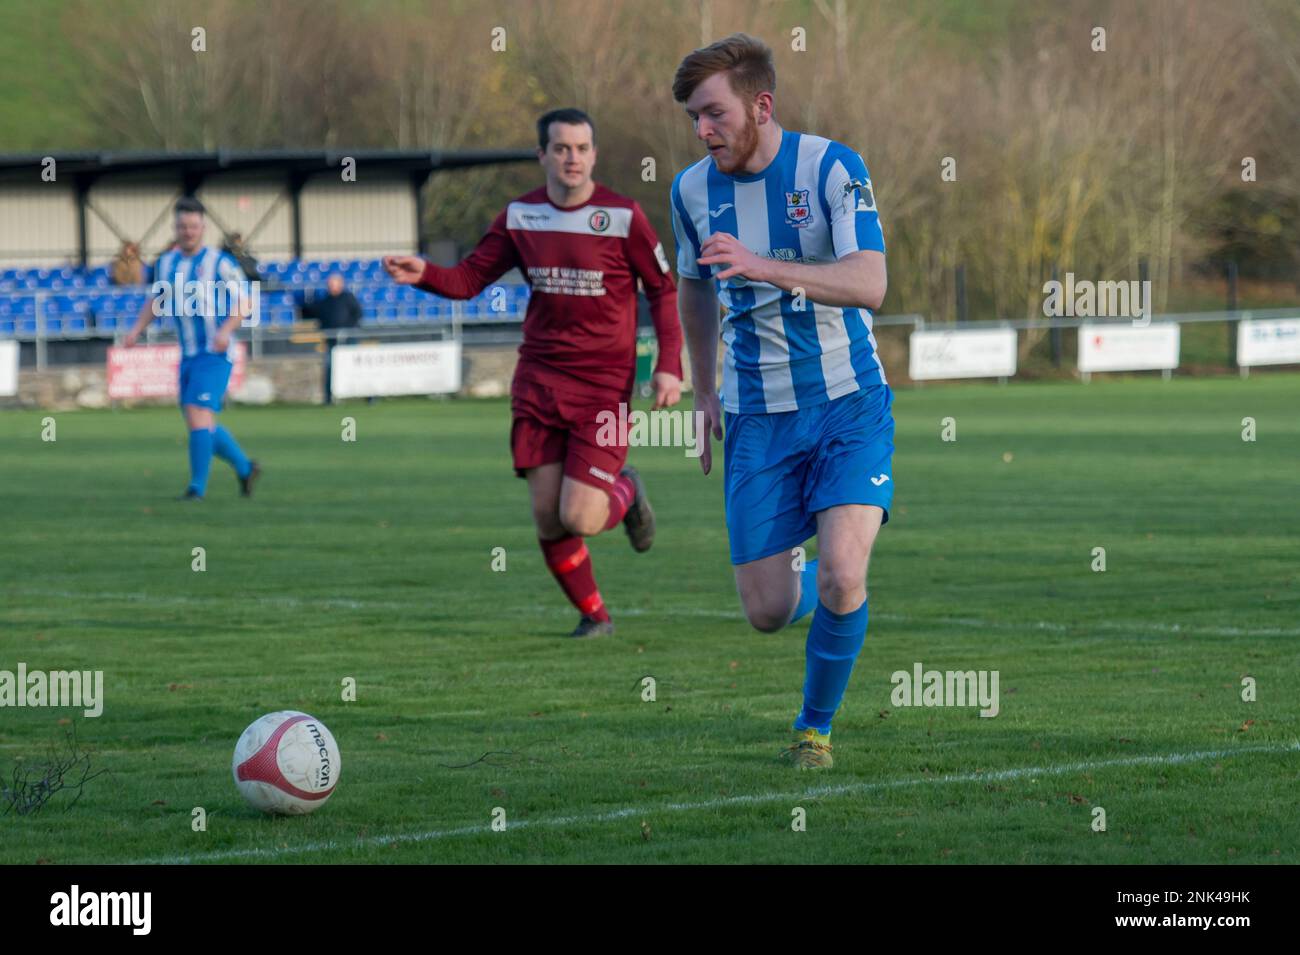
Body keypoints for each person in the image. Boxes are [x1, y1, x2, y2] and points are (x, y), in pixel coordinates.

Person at [669, 35, 892, 769]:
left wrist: (765, 266)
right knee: (767, 609)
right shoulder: (691, 191)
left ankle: (813, 729)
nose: (703, 131)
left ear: (761, 106)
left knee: (841, 572)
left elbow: (869, 283)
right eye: (695, 119)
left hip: (846, 404)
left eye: (714, 114)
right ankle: (830, 597)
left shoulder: (833, 166)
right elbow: (695, 287)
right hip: (756, 416)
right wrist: (702, 387)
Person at [385, 108, 683, 637]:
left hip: (604, 391)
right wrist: (425, 274)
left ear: (594, 154)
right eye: (562, 148)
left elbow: (662, 290)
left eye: (583, 148)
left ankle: (627, 492)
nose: (573, 157)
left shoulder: (623, 215)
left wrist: (669, 366)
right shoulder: (521, 216)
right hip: (539, 385)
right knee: (548, 516)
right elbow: (470, 278)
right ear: (542, 154)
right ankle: (595, 616)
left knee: (583, 517)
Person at [123, 197, 261, 500]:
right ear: (176, 227)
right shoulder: (167, 263)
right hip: (187, 354)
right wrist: (135, 330)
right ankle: (245, 467)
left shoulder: (220, 262)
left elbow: (247, 300)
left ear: (203, 227)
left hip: (215, 353)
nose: (188, 231)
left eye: (193, 226)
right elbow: (157, 302)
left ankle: (196, 488)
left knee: (199, 413)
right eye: (183, 226)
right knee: (199, 419)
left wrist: (226, 329)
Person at [301, 273, 363, 404]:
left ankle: (368, 395)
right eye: (330, 284)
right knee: (330, 367)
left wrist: (346, 330)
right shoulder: (326, 300)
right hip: (332, 341)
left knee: (356, 368)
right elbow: (315, 313)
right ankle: (329, 398)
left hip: (348, 340)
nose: (331, 286)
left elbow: (357, 314)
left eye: (334, 283)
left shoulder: (348, 298)